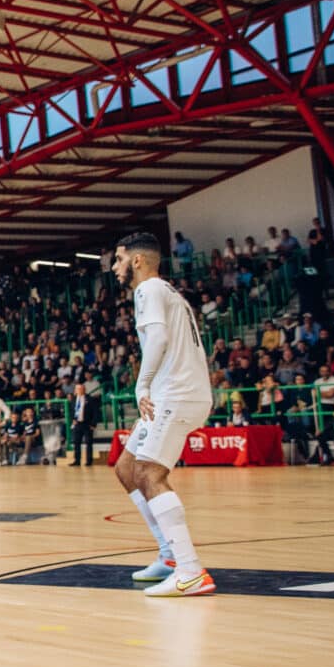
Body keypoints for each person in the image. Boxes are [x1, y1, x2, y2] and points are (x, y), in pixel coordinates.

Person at [111, 231, 217, 597]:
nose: (115, 268)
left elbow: (157, 339)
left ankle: (190, 571)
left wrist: (142, 386)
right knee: (127, 468)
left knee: (150, 473)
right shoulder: (167, 292)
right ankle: (170, 556)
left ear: (137, 260)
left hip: (175, 394)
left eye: (119, 260)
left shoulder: (148, 289)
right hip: (173, 392)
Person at [68, 376, 100, 468]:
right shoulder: (74, 400)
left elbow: (95, 412)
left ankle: (89, 461)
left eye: (80, 389)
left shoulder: (90, 399)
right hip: (77, 423)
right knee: (76, 443)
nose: (79, 390)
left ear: (84, 389)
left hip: (87, 423)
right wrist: (72, 419)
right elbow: (71, 411)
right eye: (77, 389)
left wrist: (93, 424)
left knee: (88, 443)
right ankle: (77, 460)